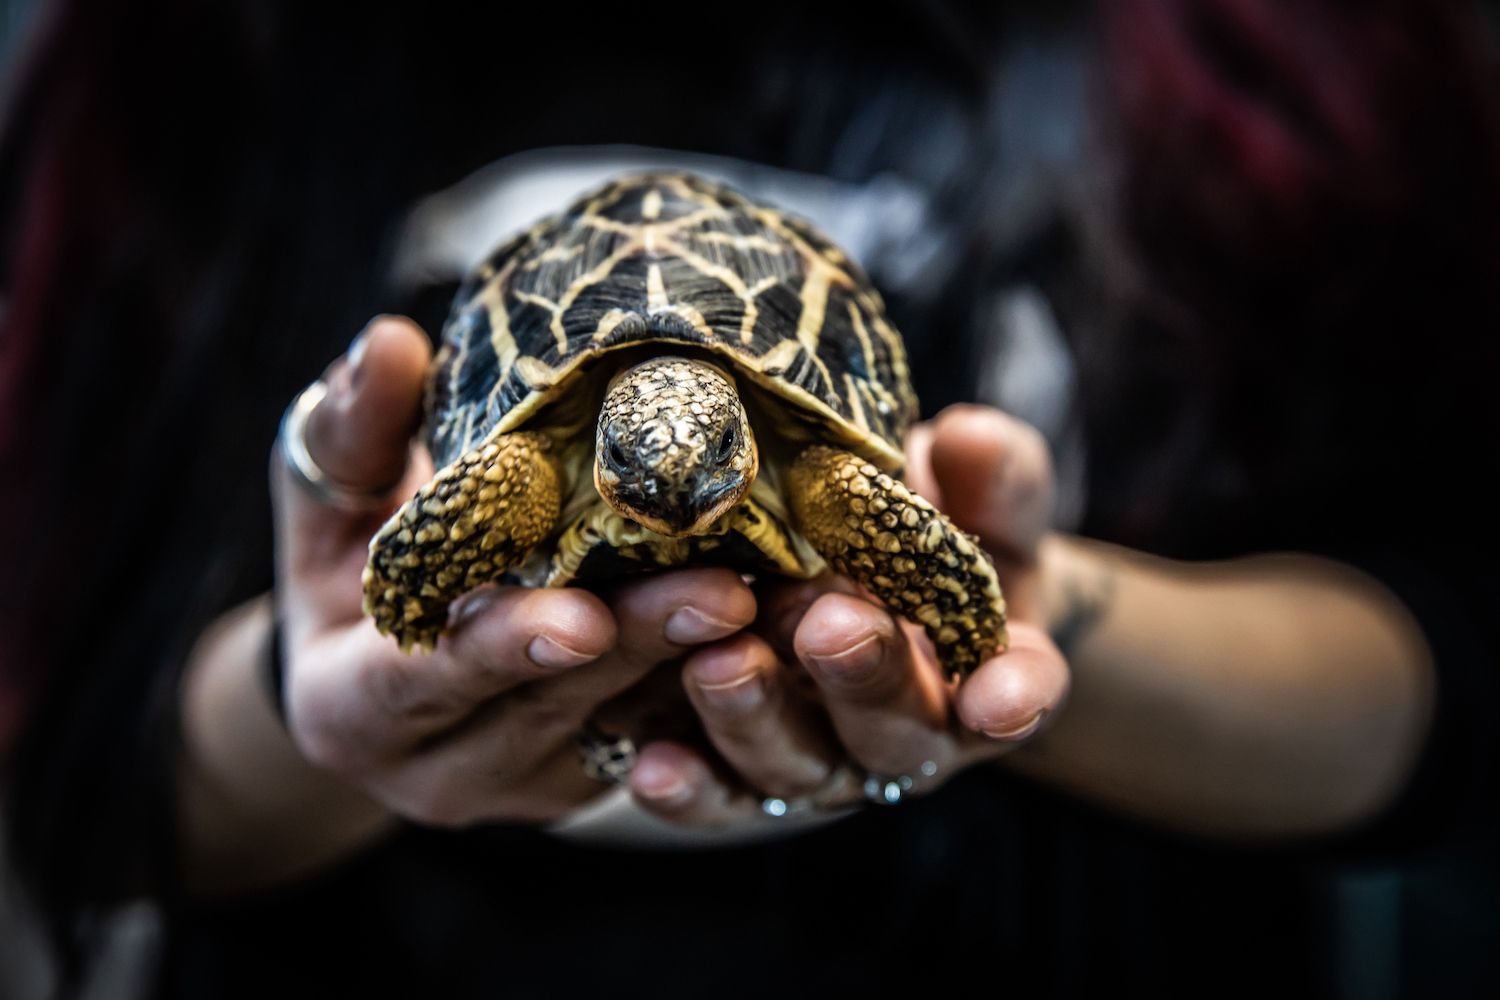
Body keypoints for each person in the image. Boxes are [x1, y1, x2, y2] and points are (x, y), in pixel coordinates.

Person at [3, 1, 1495, 997]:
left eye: (695, 474)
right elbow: (69, 772)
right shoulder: (215, 51)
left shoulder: (1257, 51)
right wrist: (326, 704)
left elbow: (1448, 673)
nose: (663, 508)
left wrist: (1029, 636)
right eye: (639, 477)